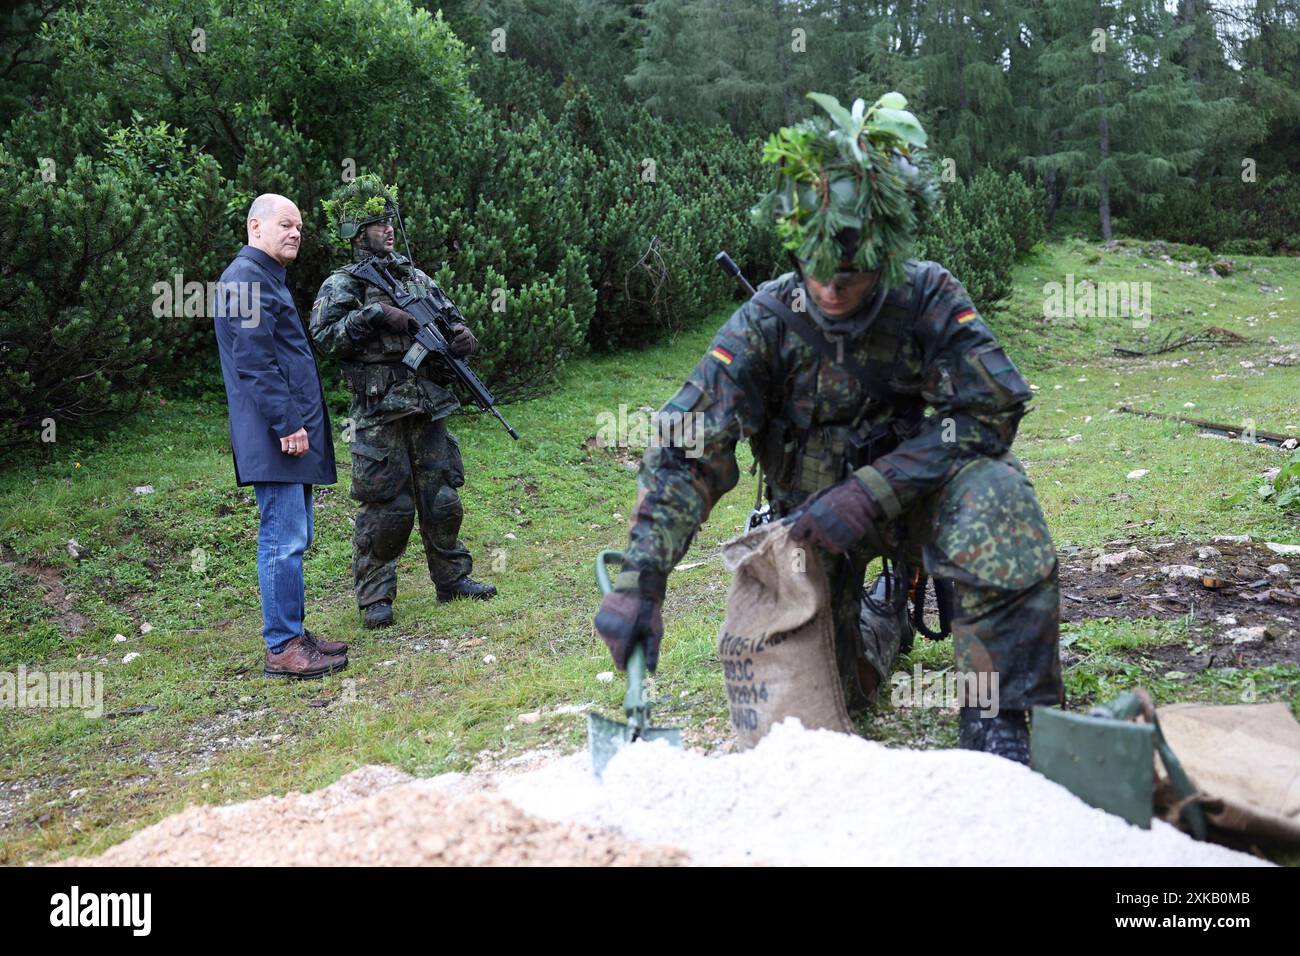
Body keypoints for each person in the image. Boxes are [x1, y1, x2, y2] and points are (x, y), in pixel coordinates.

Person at [594, 93, 1063, 763]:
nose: (833, 291)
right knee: (829, 704)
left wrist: (872, 489)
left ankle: (1001, 722)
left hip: (910, 508)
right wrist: (643, 580)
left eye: (852, 272)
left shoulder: (925, 295)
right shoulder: (765, 322)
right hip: (809, 535)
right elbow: (688, 449)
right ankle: (882, 621)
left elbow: (990, 411)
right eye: (819, 269)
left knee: (995, 494)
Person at [311, 175, 496, 630]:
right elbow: (324, 338)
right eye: (377, 224)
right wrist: (372, 315)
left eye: (389, 221)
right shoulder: (343, 284)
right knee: (385, 505)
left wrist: (462, 337)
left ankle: (453, 579)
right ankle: (376, 598)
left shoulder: (415, 276)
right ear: (356, 234)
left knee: (443, 499)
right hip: (378, 411)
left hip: (426, 406)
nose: (388, 229)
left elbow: (451, 319)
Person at [213, 193, 347, 678]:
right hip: (275, 436)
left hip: (286, 434)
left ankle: (293, 632)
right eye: (286, 224)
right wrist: (288, 422)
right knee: (282, 539)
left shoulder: (265, 278)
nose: (295, 233)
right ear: (255, 227)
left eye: (300, 227)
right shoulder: (245, 279)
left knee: (295, 534)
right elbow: (253, 361)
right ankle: (282, 647)